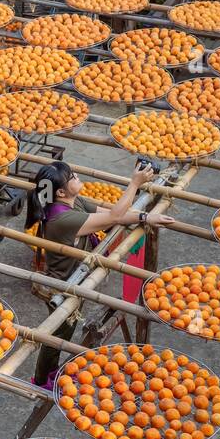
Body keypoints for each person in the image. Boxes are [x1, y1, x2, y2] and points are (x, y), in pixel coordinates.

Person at [27, 162, 173, 389]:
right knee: (55, 336)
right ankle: (41, 379)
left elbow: (113, 214)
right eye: (72, 177)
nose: (77, 177)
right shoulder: (62, 220)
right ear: (60, 192)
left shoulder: (74, 203)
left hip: (76, 279)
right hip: (63, 286)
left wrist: (144, 217)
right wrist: (134, 183)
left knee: (63, 332)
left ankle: (51, 372)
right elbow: (115, 216)